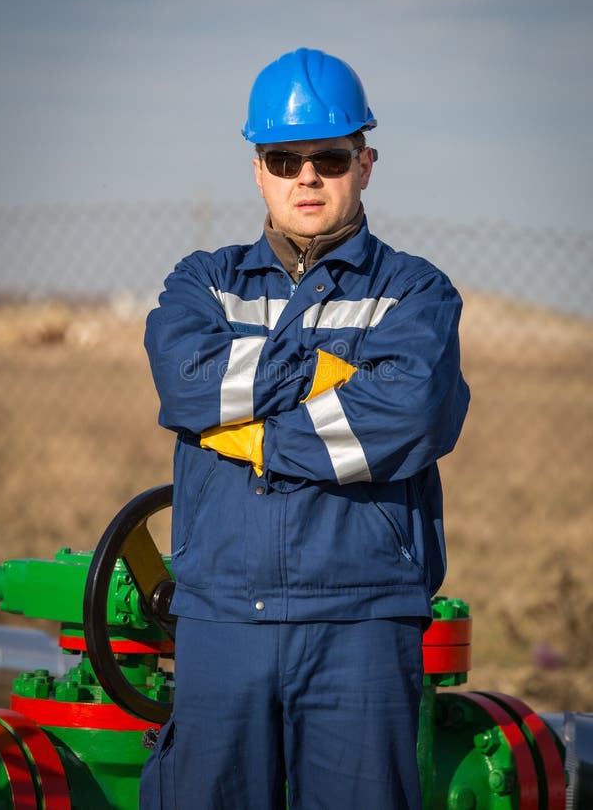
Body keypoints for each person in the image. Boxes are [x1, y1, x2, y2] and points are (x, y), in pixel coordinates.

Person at [140, 47, 470, 810]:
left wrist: (252, 433)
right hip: (221, 615)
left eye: (330, 158)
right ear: (258, 171)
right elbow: (185, 380)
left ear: (366, 164)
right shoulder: (204, 282)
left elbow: (410, 412)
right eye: (285, 161)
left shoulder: (416, 292)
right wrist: (328, 376)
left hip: (363, 618)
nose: (308, 177)